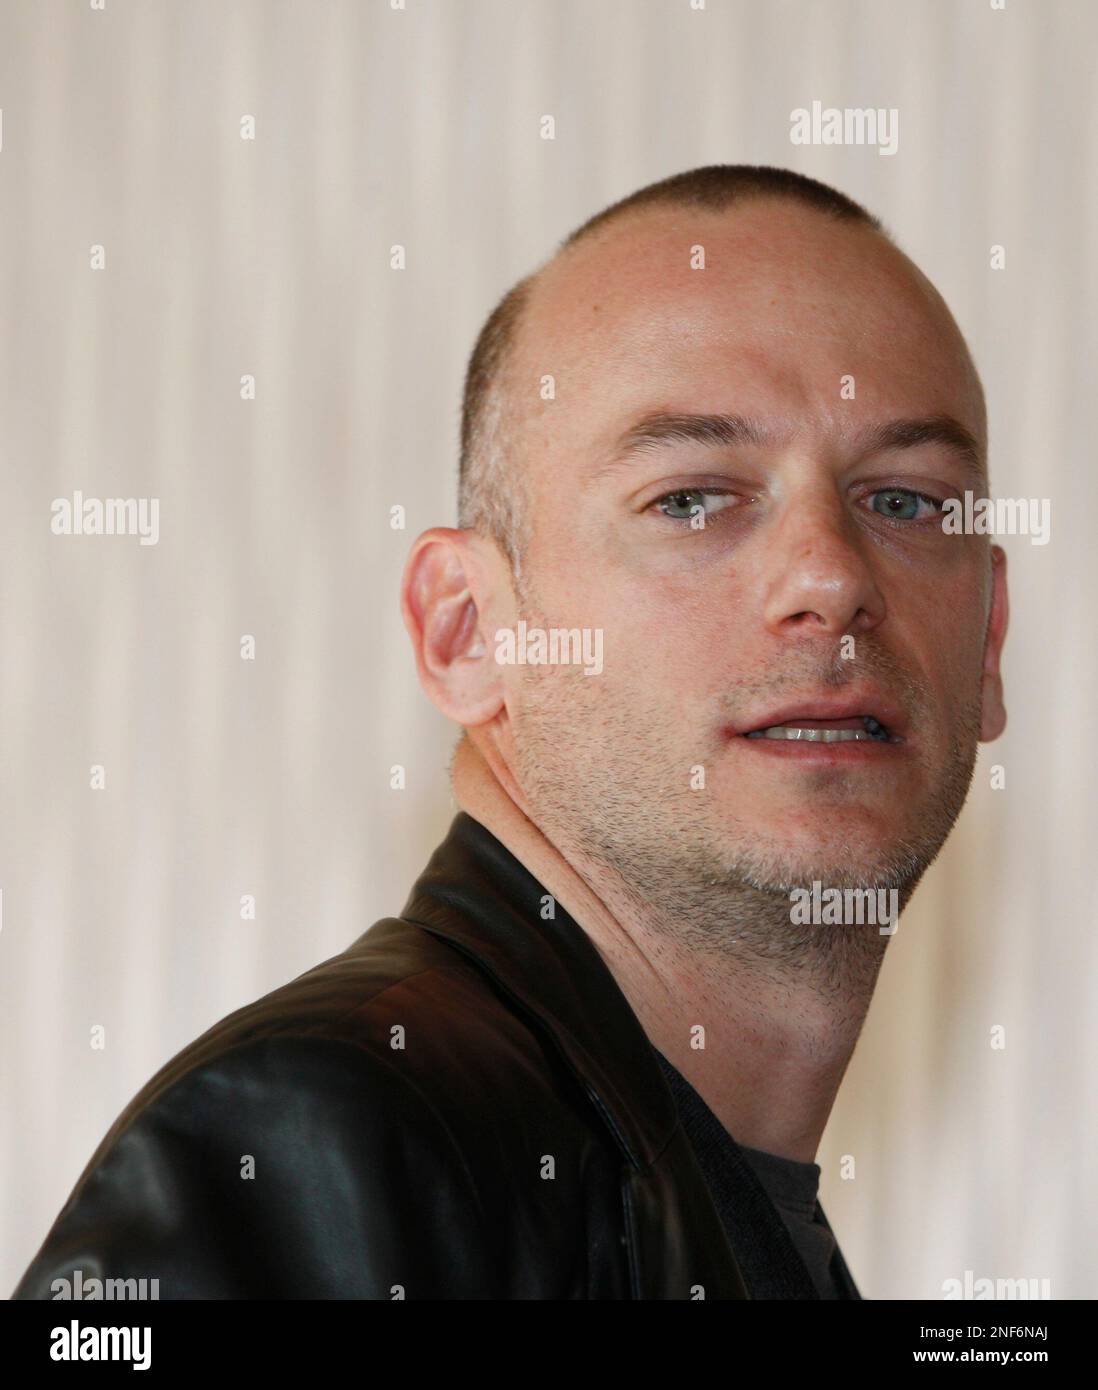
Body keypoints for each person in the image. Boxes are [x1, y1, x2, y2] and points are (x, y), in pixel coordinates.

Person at [12, 165, 1008, 1300]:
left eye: (908, 500)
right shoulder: (324, 1135)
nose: (830, 575)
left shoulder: (733, 1209)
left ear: (988, 643)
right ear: (467, 631)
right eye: (691, 496)